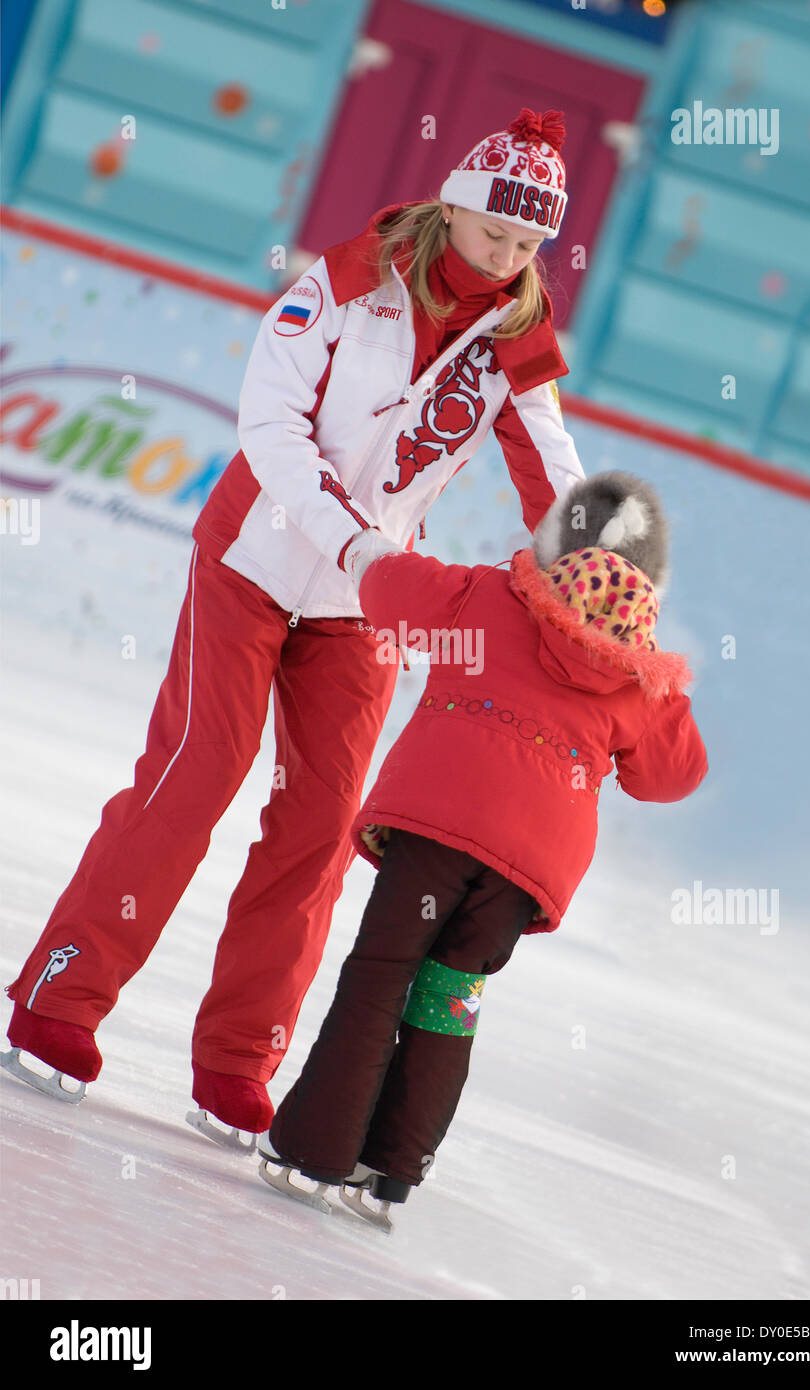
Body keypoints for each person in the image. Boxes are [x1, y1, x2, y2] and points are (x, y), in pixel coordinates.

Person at [2, 109, 586, 1136]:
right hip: (254, 558)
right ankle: (57, 997)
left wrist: (593, 577)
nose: (511, 257)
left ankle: (236, 1057)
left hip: (362, 606)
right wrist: (354, 539)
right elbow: (267, 424)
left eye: (531, 243)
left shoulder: (513, 336)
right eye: (497, 233)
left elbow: (551, 473)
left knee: (319, 828)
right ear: (453, 205)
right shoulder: (346, 280)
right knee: (196, 774)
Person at [258, 471, 708, 1226]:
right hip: (525, 865)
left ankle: (315, 1153)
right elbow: (671, 777)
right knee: (449, 1000)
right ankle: (389, 1172)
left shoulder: (490, 595)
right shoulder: (638, 672)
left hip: (437, 825)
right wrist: (652, 671)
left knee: (381, 975)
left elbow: (387, 591)